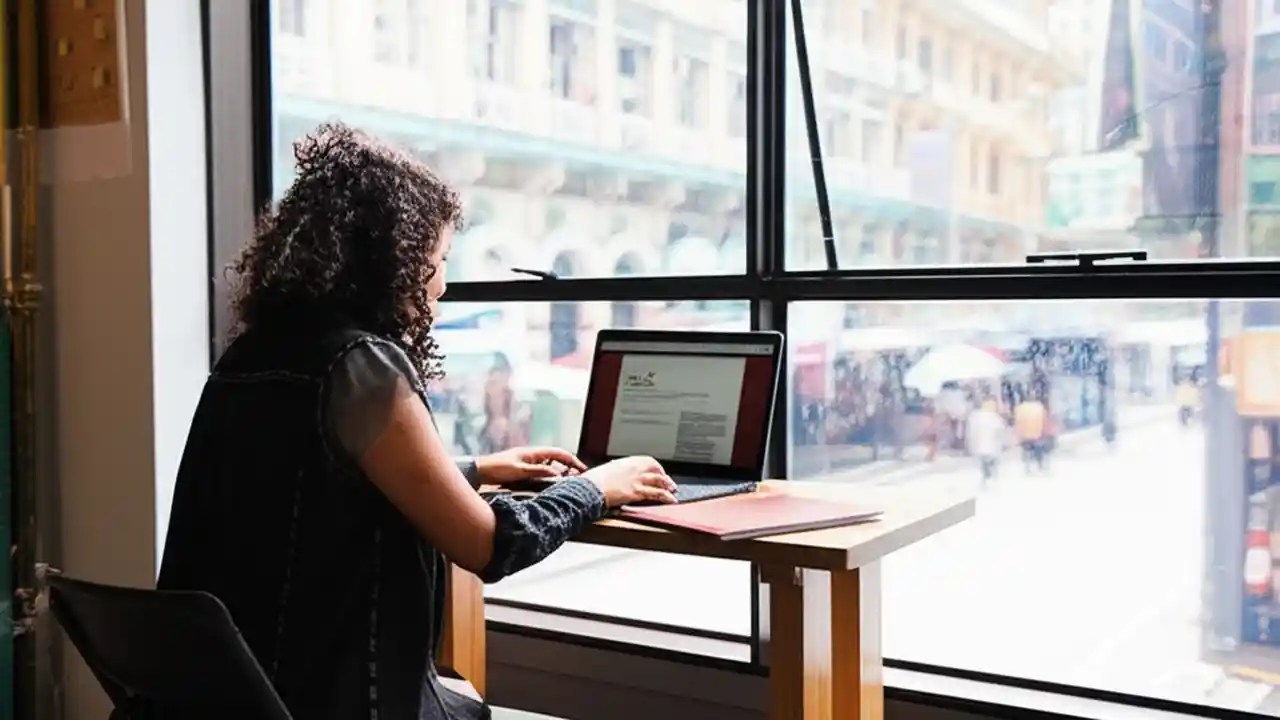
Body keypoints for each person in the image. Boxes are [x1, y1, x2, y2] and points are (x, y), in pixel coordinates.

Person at [156, 123, 677, 720]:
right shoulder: (363, 367)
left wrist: (475, 470)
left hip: (242, 701)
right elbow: (484, 544)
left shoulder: (247, 357)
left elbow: (318, 479)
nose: (443, 284)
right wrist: (596, 488)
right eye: (439, 260)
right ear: (394, 261)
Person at [966, 399, 1005, 486]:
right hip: (992, 447)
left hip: (979, 447)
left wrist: (970, 446)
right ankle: (994, 480)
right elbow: (1000, 432)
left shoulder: (973, 417)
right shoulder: (995, 417)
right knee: (993, 462)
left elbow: (970, 434)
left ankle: (985, 479)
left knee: (983, 462)